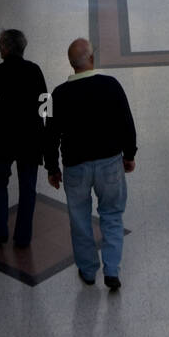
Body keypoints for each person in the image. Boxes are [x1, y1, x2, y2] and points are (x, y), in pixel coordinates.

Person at [45, 38, 137, 290]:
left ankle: (87, 270)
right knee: (112, 215)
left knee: (79, 218)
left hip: (75, 166)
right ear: (92, 59)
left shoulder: (58, 94)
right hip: (109, 162)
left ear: (71, 64)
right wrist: (129, 155)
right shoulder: (111, 85)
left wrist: (52, 168)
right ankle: (111, 270)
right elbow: (126, 122)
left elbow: (50, 135)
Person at [0, 28, 48, 248]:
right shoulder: (35, 71)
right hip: (30, 141)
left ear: (5, 48)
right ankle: (23, 237)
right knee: (28, 189)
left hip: (1, 140)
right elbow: (46, 107)